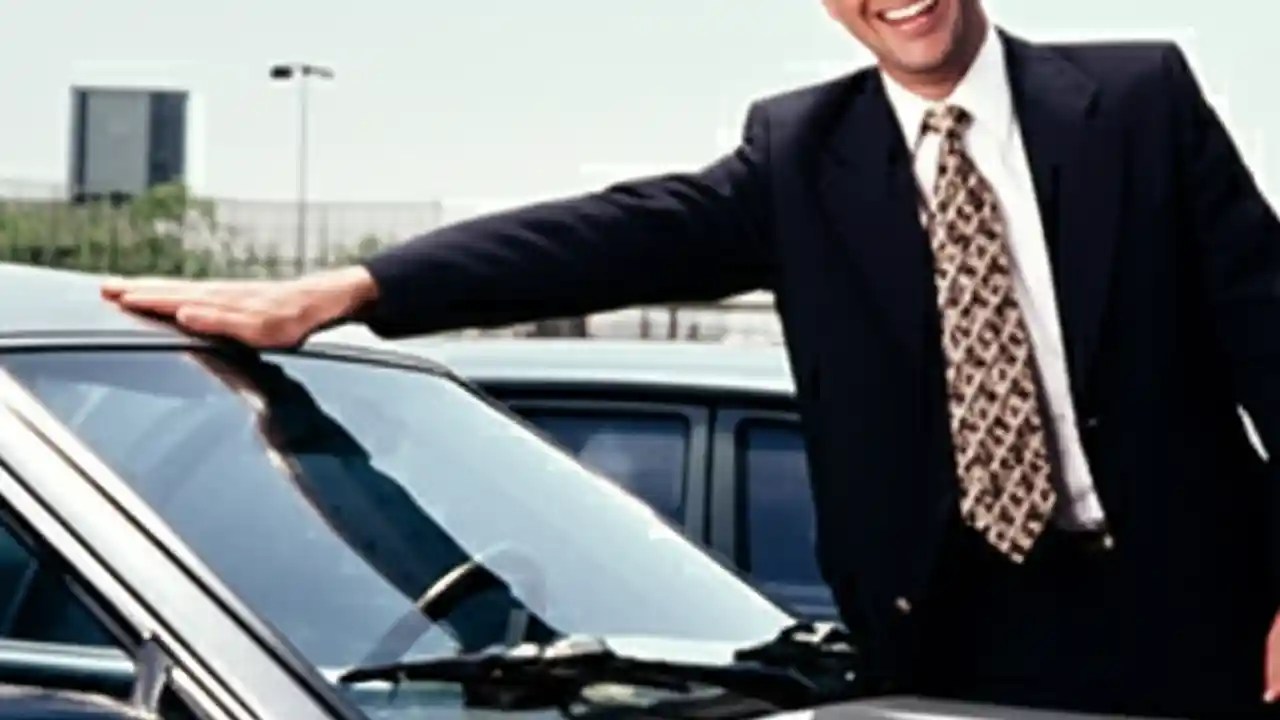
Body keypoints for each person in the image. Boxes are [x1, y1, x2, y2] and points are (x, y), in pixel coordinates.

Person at [102, 0, 1280, 715]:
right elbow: (602, 238)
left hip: (1184, 622)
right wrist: (350, 290)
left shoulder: (1136, 102)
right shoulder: (798, 152)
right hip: (946, 644)